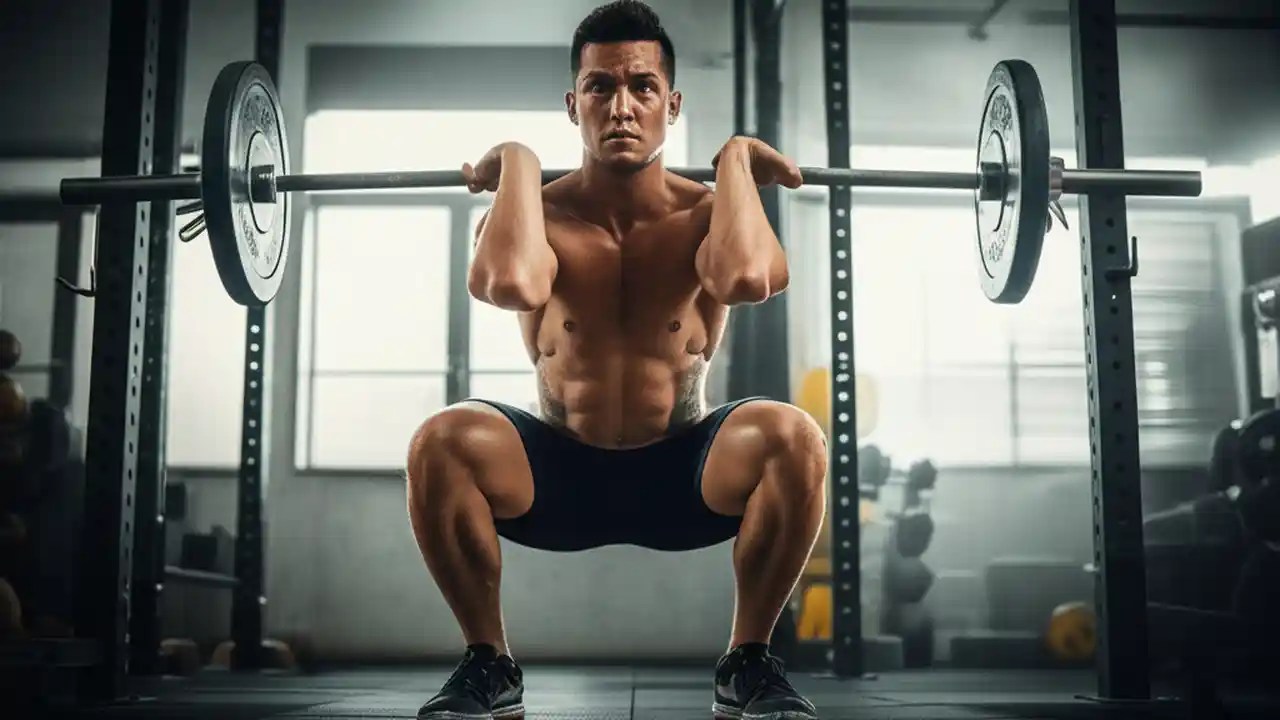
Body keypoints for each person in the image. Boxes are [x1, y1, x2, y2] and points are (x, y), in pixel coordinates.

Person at [405, 2, 826, 718]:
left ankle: (747, 659)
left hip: (683, 473)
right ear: (573, 105)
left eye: (643, 87)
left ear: (672, 103)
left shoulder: (706, 212)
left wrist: (738, 159)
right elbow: (507, 283)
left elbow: (747, 281)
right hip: (557, 473)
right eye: (600, 88)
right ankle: (489, 661)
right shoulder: (530, 209)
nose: (622, 107)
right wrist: (518, 159)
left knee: (794, 435)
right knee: (440, 441)